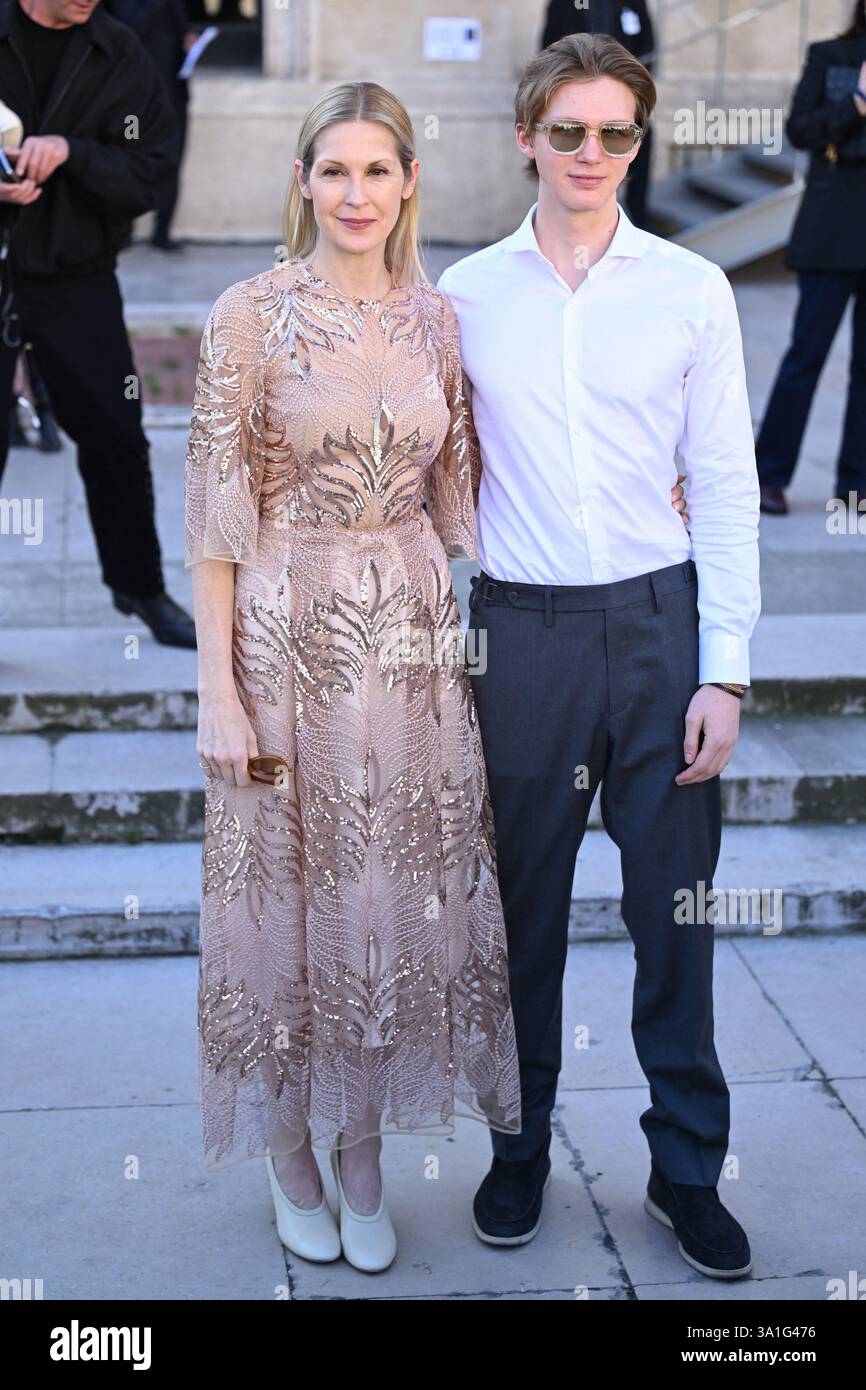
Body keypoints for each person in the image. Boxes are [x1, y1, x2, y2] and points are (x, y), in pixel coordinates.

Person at [184, 78, 689, 1276]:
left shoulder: (437, 318)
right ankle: (290, 1151)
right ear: (301, 181)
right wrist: (216, 687)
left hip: (412, 647)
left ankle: (362, 1149)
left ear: (409, 180)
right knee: (285, 906)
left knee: (384, 905)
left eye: (377, 169)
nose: (354, 192)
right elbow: (212, 518)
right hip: (282, 628)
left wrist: (646, 492)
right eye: (333, 169)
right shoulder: (248, 314)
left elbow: (486, 477)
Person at [437, 32, 761, 1279]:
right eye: (564, 131)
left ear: (639, 141)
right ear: (525, 136)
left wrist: (721, 668)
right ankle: (516, 1153)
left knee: (672, 918)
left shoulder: (690, 288)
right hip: (517, 635)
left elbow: (724, 486)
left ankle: (684, 1169)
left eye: (613, 133)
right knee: (517, 923)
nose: (589, 154)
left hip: (658, 630)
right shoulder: (462, 294)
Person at [0, 0, 196, 647]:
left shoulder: (121, 51)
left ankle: (138, 587)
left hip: (74, 272)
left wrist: (72, 154)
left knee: (116, 432)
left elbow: (150, 172)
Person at [755, 0, 866, 515]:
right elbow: (801, 129)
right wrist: (857, 105)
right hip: (832, 227)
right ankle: (769, 478)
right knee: (807, 356)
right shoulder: (831, 55)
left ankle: (856, 490)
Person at [540, 0, 656, 229]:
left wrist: (633, 89)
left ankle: (639, 216)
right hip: (574, 98)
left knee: (639, 144)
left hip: (621, 96)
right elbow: (548, 48)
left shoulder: (633, 2)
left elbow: (648, 43)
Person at [103, 0, 199, 251]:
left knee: (173, 160)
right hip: (133, 104)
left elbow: (183, 28)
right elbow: (130, 26)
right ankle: (124, 232)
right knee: (128, 156)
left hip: (173, 98)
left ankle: (162, 232)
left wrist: (191, 39)